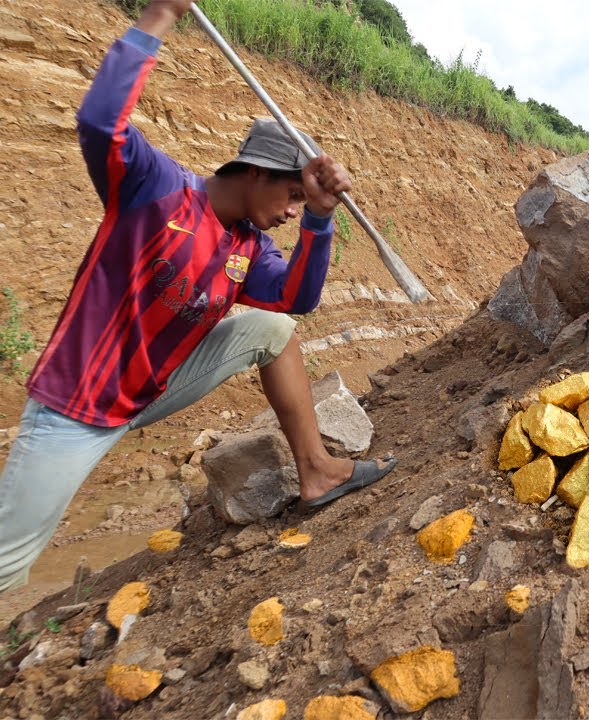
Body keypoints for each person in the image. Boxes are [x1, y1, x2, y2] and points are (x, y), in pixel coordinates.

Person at [0, 0, 396, 592]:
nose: (289, 212)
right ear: (254, 173)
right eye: (290, 196)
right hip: (76, 409)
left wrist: (318, 217)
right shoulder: (156, 189)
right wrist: (160, 14)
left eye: (299, 202)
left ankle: (315, 471)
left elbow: (295, 298)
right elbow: (101, 123)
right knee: (7, 564)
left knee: (273, 330)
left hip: (150, 391)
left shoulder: (249, 248)